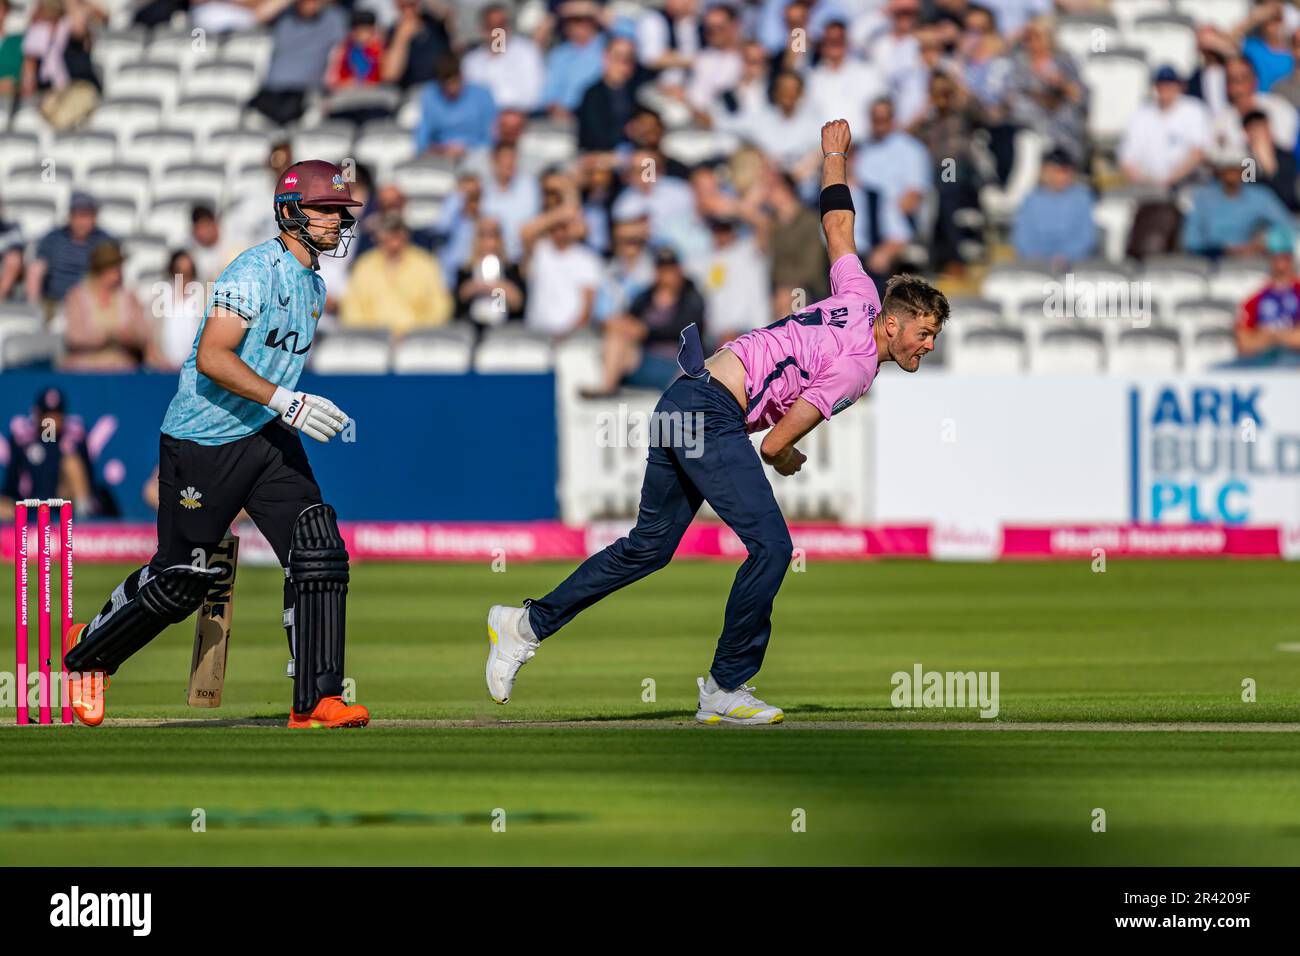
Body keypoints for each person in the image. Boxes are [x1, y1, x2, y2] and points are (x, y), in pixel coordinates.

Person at [484, 119, 950, 726]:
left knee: (647, 548)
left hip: (682, 398)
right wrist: (788, 457)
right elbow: (777, 442)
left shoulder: (860, 292)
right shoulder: (860, 367)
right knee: (773, 547)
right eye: (924, 333)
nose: (928, 346)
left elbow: (837, 223)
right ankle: (726, 687)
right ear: (894, 324)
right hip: (710, 413)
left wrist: (832, 154)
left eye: (933, 337)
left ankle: (524, 624)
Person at [62, 160, 370, 731]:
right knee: (183, 581)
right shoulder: (254, 270)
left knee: (318, 548)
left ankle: (317, 700)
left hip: (265, 438)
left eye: (339, 210)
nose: (336, 219)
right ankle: (90, 654)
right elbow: (213, 357)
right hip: (202, 439)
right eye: (324, 209)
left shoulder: (316, 285)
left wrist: (279, 409)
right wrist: (289, 402)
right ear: (289, 212)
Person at [583, 243, 706, 397]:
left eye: (670, 269)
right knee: (616, 337)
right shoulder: (645, 296)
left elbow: (687, 329)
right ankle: (607, 388)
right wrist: (618, 325)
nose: (666, 275)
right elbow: (630, 319)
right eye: (662, 269)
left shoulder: (692, 296)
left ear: (679, 270)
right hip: (645, 357)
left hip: (676, 363)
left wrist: (646, 331)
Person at [340, 212, 453, 335]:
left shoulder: (426, 264)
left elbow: (440, 306)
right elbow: (352, 308)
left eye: (396, 233)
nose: (393, 241)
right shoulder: (364, 266)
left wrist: (415, 333)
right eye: (388, 235)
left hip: (415, 339)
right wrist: (369, 335)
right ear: (378, 237)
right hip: (371, 340)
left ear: (405, 235)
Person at [61, 240, 159, 370]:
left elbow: (144, 333)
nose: (119, 272)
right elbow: (74, 336)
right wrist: (108, 336)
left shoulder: (127, 297)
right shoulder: (77, 296)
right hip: (85, 369)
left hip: (122, 368)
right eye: (114, 268)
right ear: (101, 270)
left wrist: (131, 336)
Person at [0, 387, 93, 521]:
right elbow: (11, 484)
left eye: (56, 414)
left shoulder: (74, 438)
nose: (51, 421)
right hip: (27, 506)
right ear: (37, 413)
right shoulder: (22, 439)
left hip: (62, 506)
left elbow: (88, 480)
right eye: (47, 415)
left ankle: (84, 522)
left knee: (72, 463)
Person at [26, 191, 112, 324]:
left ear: (94, 217)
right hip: (55, 302)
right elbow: (37, 268)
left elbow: (111, 274)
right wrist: (33, 306)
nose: (81, 221)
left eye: (85, 216)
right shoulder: (53, 238)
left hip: (90, 305)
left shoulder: (104, 241)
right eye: (77, 216)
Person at [1011, 147, 1097, 267]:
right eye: (1053, 170)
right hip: (1036, 264)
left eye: (1063, 171)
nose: (1058, 176)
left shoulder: (1082, 198)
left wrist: (1066, 256)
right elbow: (1022, 237)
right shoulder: (1031, 200)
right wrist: (1035, 256)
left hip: (1074, 265)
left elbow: (1087, 237)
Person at [1234, 229, 1300, 363]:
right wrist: (1286, 336)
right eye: (1275, 257)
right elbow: (1244, 343)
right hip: (1262, 362)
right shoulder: (1255, 298)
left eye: (1285, 257)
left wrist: (1271, 336)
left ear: (1292, 259)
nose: (1281, 264)